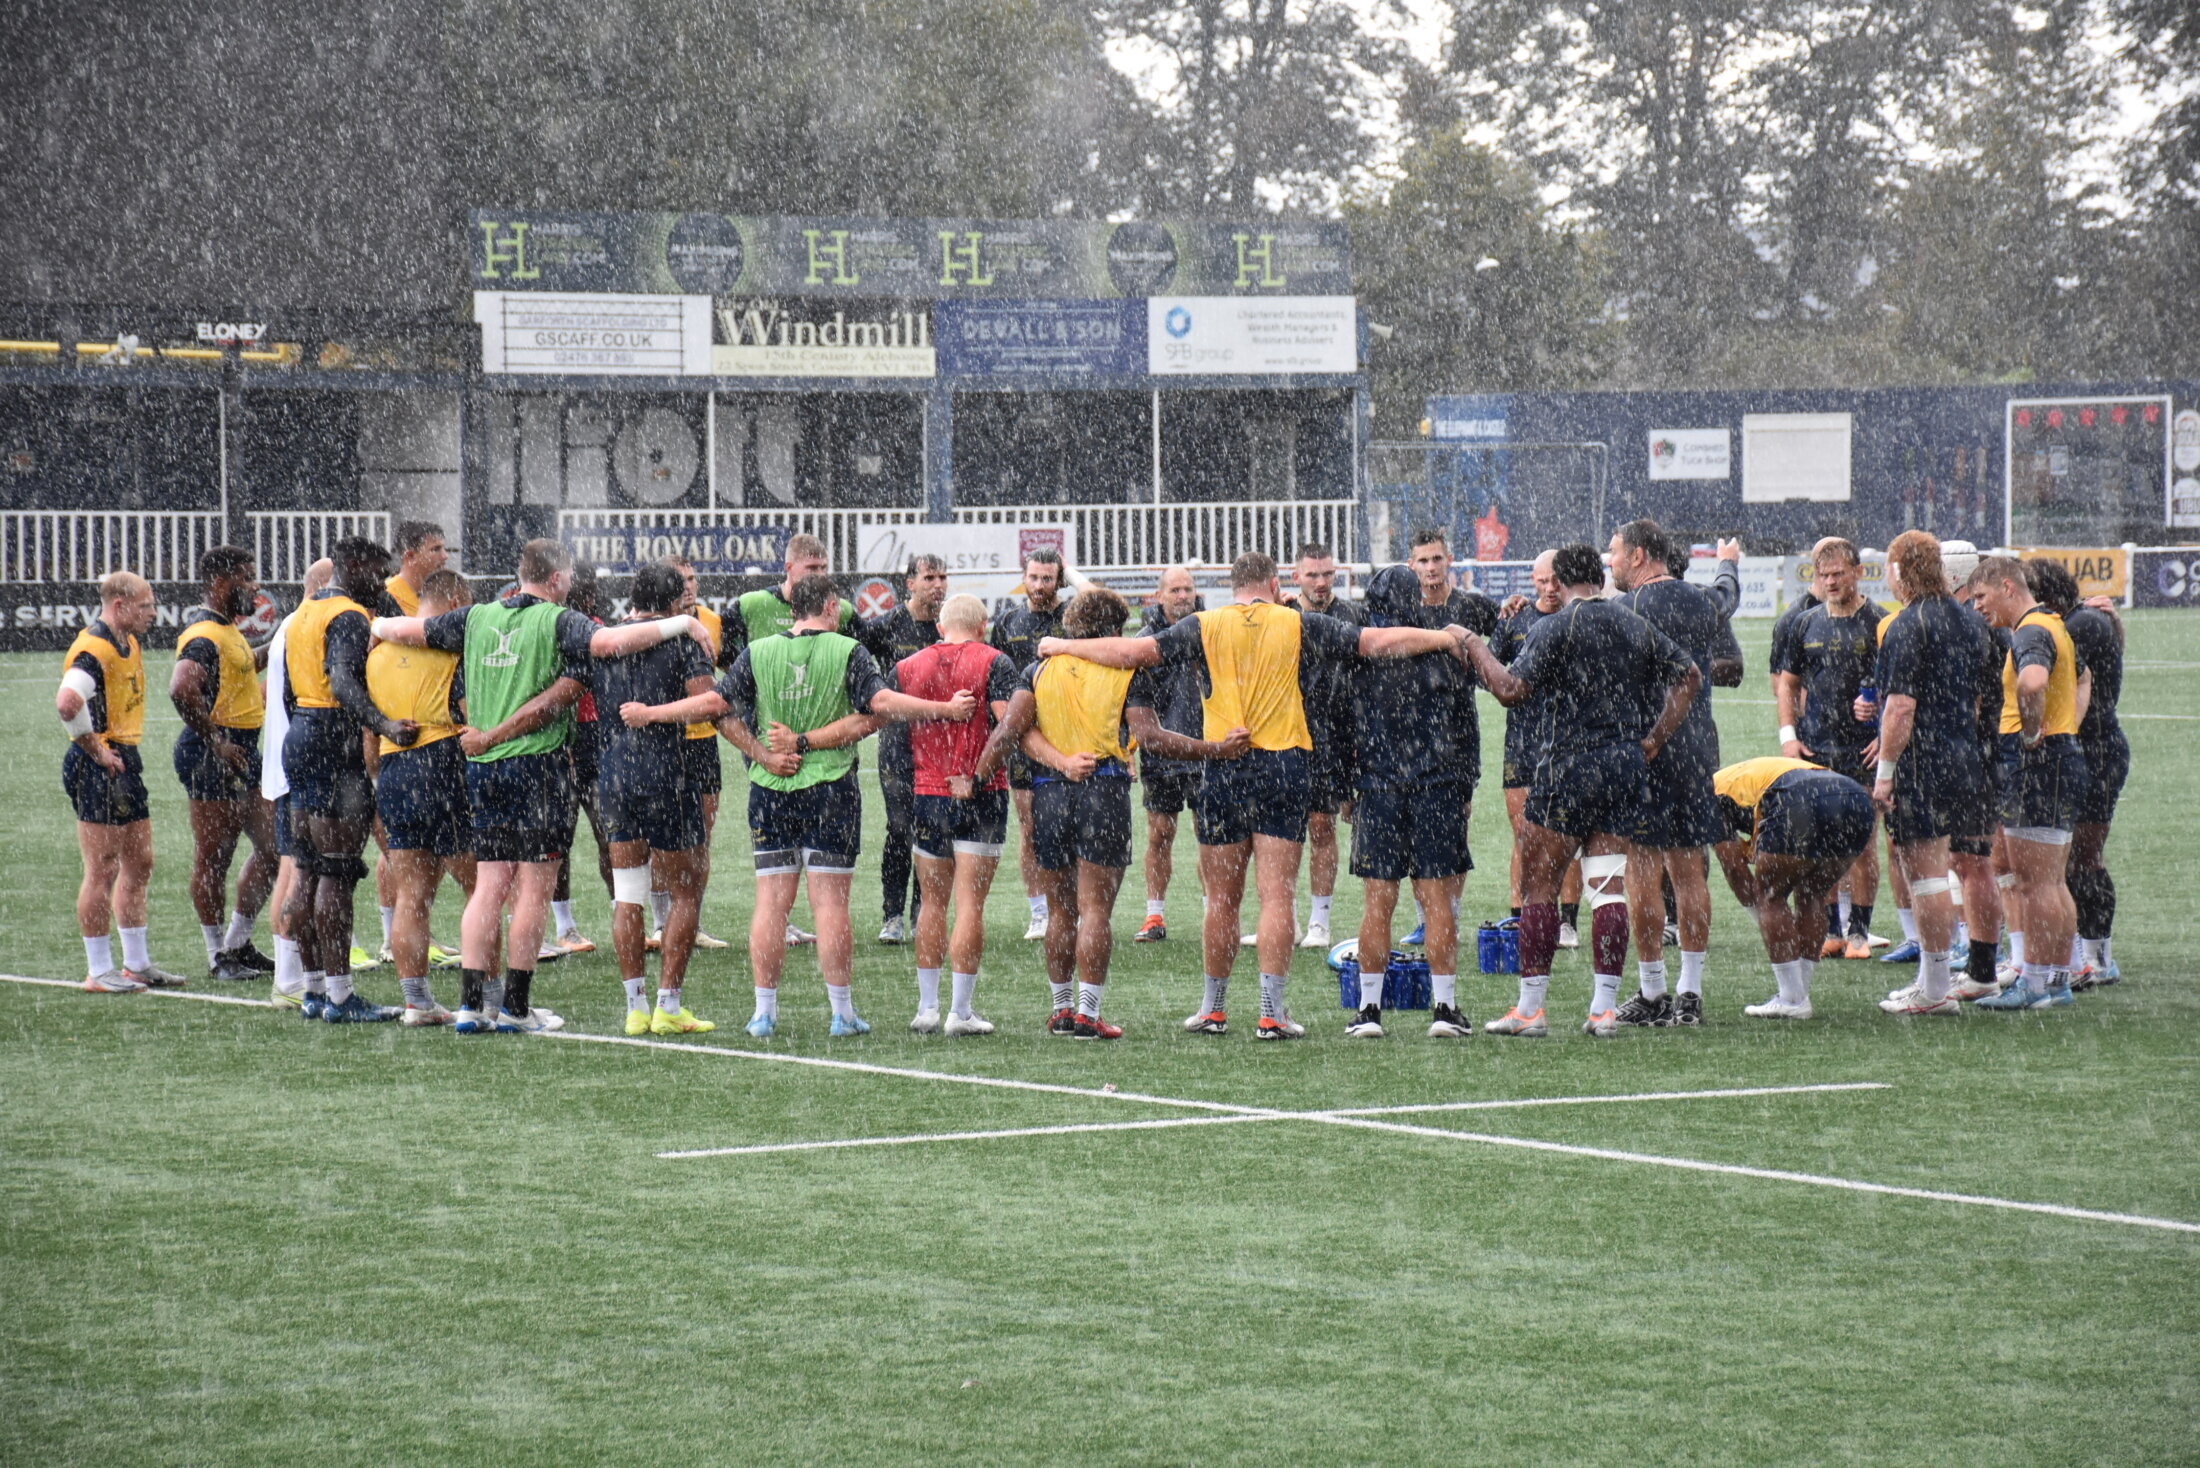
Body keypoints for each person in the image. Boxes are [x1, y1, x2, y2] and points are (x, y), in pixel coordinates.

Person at [1039, 551, 1464, 1040]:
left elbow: (1133, 653)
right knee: (1276, 895)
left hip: (1224, 764)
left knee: (1221, 898)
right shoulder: (1298, 622)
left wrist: (1063, 646)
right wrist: (1443, 636)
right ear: (1274, 582)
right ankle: (1270, 1013)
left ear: (1231, 584)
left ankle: (1213, 1010)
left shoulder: (1205, 622)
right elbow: (1375, 642)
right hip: (1284, 764)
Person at [630, 573, 976, 1038]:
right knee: (830, 904)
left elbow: (715, 704)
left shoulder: (761, 651)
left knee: (771, 903)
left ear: (794, 608)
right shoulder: (846, 650)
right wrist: (942, 709)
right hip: (830, 787)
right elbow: (881, 704)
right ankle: (841, 1013)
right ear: (831, 607)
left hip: (771, 788)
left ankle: (763, 1013)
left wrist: (655, 714)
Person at [377, 538, 695, 1034]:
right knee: (532, 889)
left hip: (483, 771)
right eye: (567, 576)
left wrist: (374, 626)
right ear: (556, 579)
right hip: (537, 768)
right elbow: (611, 643)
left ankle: (469, 1006)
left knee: (488, 886)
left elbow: (408, 628)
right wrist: (684, 621)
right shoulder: (558, 619)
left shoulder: (477, 616)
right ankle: (516, 1009)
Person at [1461, 543, 1701, 1038]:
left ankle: (1530, 1010)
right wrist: (1653, 738)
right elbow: (1690, 675)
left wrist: (1471, 643)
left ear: (1562, 581)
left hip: (1568, 767)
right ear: (1598, 578)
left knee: (1540, 887)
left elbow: (1509, 690)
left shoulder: (1557, 626)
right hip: (1623, 767)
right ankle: (1603, 1008)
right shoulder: (1630, 621)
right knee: (1608, 888)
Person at [981, 586, 1238, 1038]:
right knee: (1096, 910)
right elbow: (1153, 737)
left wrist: (977, 777)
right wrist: (1213, 750)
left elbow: (1008, 732)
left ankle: (1061, 1009)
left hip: (1050, 794)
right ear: (1115, 630)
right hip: (1104, 790)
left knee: (1061, 912)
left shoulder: (1039, 669)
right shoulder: (1126, 672)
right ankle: (1088, 1012)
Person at [282, 538, 419, 1024]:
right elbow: (341, 681)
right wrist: (382, 725)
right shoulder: (346, 616)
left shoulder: (300, 614)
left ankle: (315, 990)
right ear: (355, 566)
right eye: (377, 572)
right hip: (334, 739)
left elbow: (284, 689)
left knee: (308, 868)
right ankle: (341, 997)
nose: (381, 583)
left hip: (300, 733)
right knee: (337, 871)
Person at [1607, 521, 1738, 1027]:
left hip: (1644, 752)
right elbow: (1728, 592)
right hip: (1696, 751)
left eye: (1615, 553)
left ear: (1639, 556)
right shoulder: (1702, 601)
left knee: (1641, 869)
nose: (1610, 562)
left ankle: (1652, 991)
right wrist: (1728, 560)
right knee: (1688, 870)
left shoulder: (1623, 611)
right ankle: (1690, 993)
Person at [1343, 565, 1480, 1039]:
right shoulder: (1444, 652)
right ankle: (1444, 1008)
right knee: (1435, 898)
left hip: (1379, 788)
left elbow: (1344, 728)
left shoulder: (1363, 653)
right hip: (1436, 786)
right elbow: (1467, 729)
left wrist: (1346, 787)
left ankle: (1368, 1010)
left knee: (1378, 901)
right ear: (1416, 602)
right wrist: (1464, 788)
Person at [1867, 532, 1999, 1017]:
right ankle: (1956, 975)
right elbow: (1985, 699)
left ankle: (1937, 988)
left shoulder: (1907, 625)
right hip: (1969, 760)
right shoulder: (1972, 622)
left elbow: (1899, 709)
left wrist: (1884, 775)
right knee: (1972, 864)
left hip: (1925, 765)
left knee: (1926, 877)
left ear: (1900, 570)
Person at [594, 564, 720, 1035]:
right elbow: (707, 703)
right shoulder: (684, 640)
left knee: (628, 893)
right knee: (685, 888)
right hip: (668, 773)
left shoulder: (604, 641)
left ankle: (635, 1007)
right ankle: (669, 1004)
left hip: (615, 776)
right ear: (673, 605)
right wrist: (656, 714)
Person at [1969, 553, 2087, 1012]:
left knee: (2036, 883)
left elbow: (2033, 683)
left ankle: (2036, 982)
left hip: (2037, 764)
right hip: (2060, 759)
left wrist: (2033, 731)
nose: (1978, 607)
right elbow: (2079, 680)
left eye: (1982, 596)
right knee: (2053, 882)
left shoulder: (2030, 631)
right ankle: (2057, 977)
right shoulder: (2054, 623)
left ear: (2007, 587)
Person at [723, 532, 854, 948]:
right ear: (789, 568)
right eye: (810, 568)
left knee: (795, 871)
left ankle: (768, 999)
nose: (816, 574)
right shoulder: (749, 606)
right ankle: (788, 916)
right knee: (799, 880)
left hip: (817, 752)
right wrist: (760, 746)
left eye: (821, 568)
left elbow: (869, 668)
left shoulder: (844, 614)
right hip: (767, 743)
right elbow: (726, 666)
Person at [56, 570, 183, 992]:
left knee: (140, 862)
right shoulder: (94, 649)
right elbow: (68, 701)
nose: (153, 612)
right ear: (120, 606)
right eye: (146, 604)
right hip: (100, 763)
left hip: (123, 759)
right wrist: (96, 751)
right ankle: (98, 970)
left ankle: (136, 963)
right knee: (102, 869)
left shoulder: (127, 642)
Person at [897, 593, 1017, 1033]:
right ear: (983, 625)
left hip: (928, 793)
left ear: (940, 628)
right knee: (970, 905)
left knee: (932, 903)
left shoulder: (911, 665)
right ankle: (959, 1011)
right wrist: (979, 775)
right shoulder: (995, 661)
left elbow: (889, 724)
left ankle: (928, 1007)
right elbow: (1007, 726)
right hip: (979, 792)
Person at [366, 568, 476, 1024]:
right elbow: (471, 716)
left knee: (412, 894)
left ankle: (417, 1002)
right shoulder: (453, 649)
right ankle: (484, 1000)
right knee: (481, 889)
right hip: (444, 765)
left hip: (394, 770)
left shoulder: (377, 654)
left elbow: (368, 739)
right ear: (453, 603)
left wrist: (381, 774)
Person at [1771, 538, 1887, 962]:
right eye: (1824, 575)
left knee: (1862, 844)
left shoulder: (1879, 622)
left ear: (1857, 571)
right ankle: (1831, 928)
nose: (1831, 581)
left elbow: (1900, 689)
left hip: (1862, 753)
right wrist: (1789, 735)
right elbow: (1788, 683)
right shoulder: (1806, 623)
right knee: (1819, 844)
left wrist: (1881, 727)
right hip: (1815, 750)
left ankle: (1860, 930)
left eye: (1839, 573)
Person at [169, 546, 278, 982]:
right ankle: (218, 956)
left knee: (273, 847)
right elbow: (181, 688)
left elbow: (247, 664)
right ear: (220, 582)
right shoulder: (204, 633)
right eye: (247, 578)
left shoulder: (225, 629)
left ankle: (238, 943)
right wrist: (215, 740)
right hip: (214, 754)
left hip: (241, 750)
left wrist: (281, 637)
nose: (255, 586)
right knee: (215, 857)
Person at [1394, 528, 1499, 948]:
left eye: (1437, 559)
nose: (1431, 568)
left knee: (1454, 830)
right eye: (1423, 561)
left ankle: (1448, 916)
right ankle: (1427, 919)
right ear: (1411, 566)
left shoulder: (1470, 608)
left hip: (1457, 735)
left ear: (1449, 561)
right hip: (1407, 737)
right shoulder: (1402, 609)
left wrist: (1516, 609)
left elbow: (1511, 636)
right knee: (1417, 833)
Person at [1711, 756, 1876, 1019]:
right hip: (1853, 796)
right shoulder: (1738, 777)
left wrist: (1765, 919)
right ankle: (1799, 992)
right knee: (1812, 894)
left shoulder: (1709, 794)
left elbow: (1734, 869)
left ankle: (1792, 998)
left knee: (1771, 897)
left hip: (1800, 799)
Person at [2031, 563, 2127, 988]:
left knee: (2082, 859)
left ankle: (2095, 958)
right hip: (2094, 747)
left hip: (2095, 749)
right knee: (2072, 860)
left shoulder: (2078, 624)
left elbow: (2073, 680)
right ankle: (2083, 957)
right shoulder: (2083, 619)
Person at [1492, 551, 1582, 946]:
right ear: (1532, 579)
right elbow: (1490, 670)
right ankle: (1520, 915)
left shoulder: (1577, 619)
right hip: (1522, 742)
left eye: (1555, 581)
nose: (1548, 589)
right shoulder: (1517, 619)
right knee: (1523, 835)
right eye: (1542, 581)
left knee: (1566, 836)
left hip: (1565, 741)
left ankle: (1567, 922)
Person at [858, 552, 948, 945]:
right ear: (909, 584)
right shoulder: (887, 625)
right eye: (929, 577)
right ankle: (892, 914)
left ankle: (921, 914)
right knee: (899, 828)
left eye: (943, 577)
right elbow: (855, 663)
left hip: (941, 744)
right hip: (898, 741)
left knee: (934, 828)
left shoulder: (950, 627)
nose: (938, 584)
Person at [370, 519, 449, 960]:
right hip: (401, 735)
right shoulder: (387, 599)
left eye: (444, 549)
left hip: (413, 740)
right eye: (434, 549)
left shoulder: (424, 597)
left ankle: (412, 935)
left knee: (410, 849)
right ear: (409, 556)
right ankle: (390, 935)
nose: (442, 556)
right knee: (397, 850)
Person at [646, 554, 731, 953]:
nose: (689, 586)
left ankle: (691, 921)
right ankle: (663, 923)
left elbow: (723, 674)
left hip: (703, 742)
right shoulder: (650, 625)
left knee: (702, 838)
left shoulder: (712, 621)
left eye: (694, 578)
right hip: (667, 742)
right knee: (665, 841)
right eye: (681, 580)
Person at [259, 557, 332, 1010]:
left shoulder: (290, 625)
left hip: (289, 759)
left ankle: (295, 975)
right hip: (297, 764)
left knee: (298, 867)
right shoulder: (305, 626)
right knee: (296, 869)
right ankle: (288, 978)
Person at [1282, 542, 1361, 950]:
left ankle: (1320, 921)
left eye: (1327, 574)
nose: (1321, 582)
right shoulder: (1281, 615)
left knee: (1321, 826)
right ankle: (1283, 920)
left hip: (1332, 739)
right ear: (1296, 576)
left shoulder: (1350, 616)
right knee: (1279, 833)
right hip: (1283, 735)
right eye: (1312, 574)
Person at [991, 547, 1071, 941]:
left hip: (1070, 735)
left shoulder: (1073, 617)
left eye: (1047, 578)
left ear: (1060, 579)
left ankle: (1069, 907)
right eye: (1033, 578)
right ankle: (1039, 912)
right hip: (1024, 742)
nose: (1039, 586)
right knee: (1030, 829)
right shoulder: (1007, 622)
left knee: (1071, 826)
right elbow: (996, 680)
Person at [1133, 566, 1204, 944]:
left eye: (1187, 589)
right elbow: (1130, 701)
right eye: (1174, 589)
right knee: (1160, 834)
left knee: (1208, 836)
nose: (1182, 595)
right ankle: (1153, 915)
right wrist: (1130, 746)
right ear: (1158, 596)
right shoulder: (1146, 639)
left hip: (1207, 750)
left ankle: (1215, 913)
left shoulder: (1210, 630)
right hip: (1161, 753)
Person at [547, 559, 611, 957]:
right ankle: (564, 926)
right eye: (581, 586)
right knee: (559, 839)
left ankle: (626, 915)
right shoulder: (553, 627)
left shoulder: (599, 629)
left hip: (596, 738)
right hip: (562, 738)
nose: (588, 594)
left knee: (612, 836)